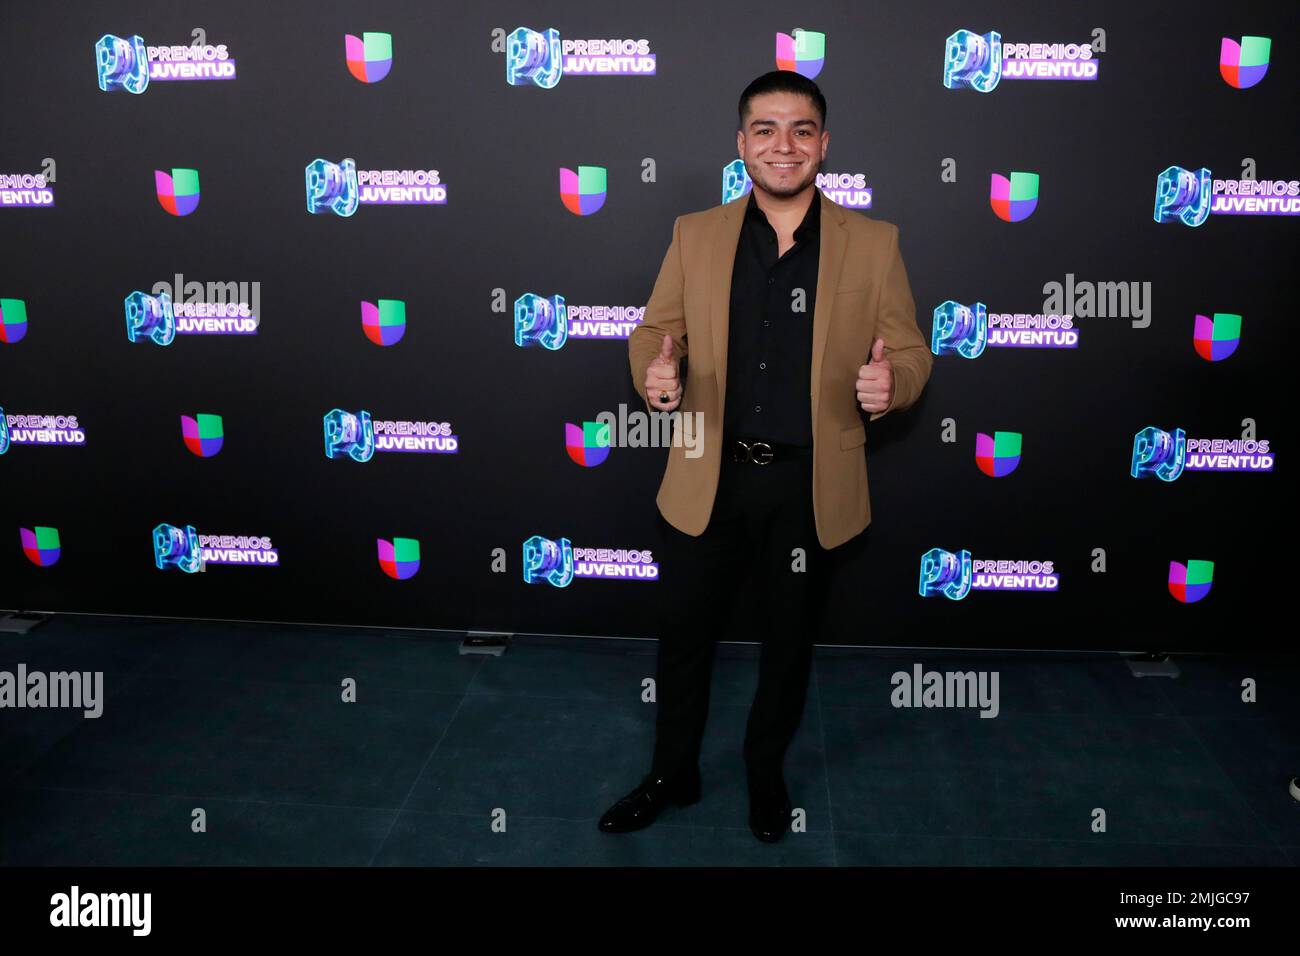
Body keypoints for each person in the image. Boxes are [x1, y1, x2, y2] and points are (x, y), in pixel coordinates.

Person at [599, 70, 933, 843]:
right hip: (704, 475)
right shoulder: (696, 233)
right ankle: (670, 774)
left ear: (824, 143)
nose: (784, 145)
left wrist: (896, 383)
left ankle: (764, 774)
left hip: (807, 484)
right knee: (683, 639)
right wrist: (653, 370)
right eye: (765, 129)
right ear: (740, 143)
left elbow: (912, 350)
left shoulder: (874, 244)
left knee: (788, 646)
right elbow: (655, 331)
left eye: (801, 129)